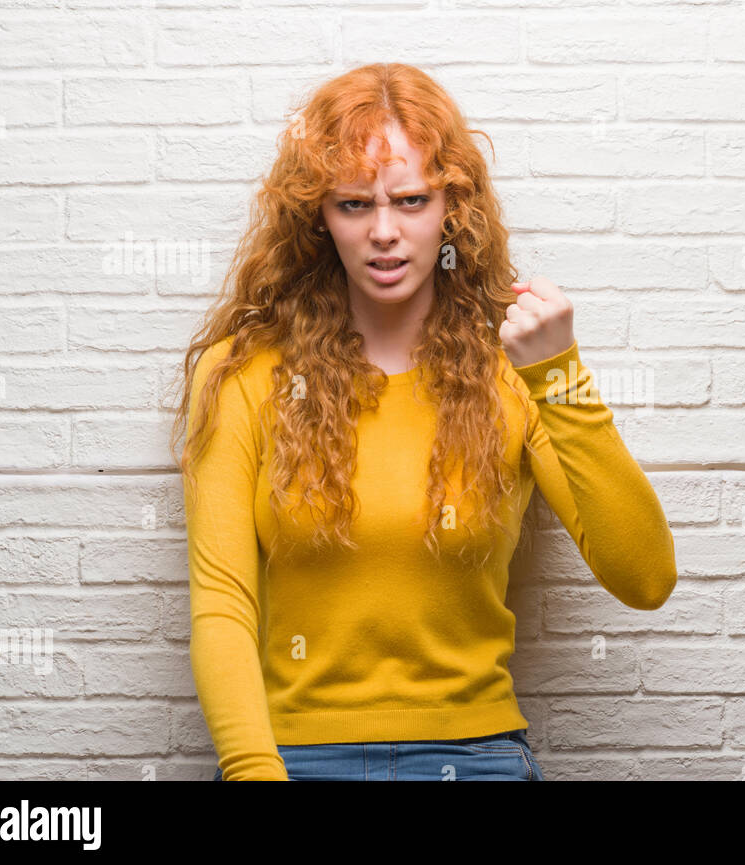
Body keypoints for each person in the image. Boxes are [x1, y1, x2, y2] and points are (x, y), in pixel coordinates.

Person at [169, 63, 678, 781]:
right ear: (318, 215)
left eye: (410, 200)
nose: (384, 232)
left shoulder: (514, 370)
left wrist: (559, 376)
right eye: (353, 205)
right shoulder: (243, 374)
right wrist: (255, 773)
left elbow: (645, 576)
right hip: (294, 759)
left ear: (452, 207)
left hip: (477, 758)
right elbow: (222, 606)